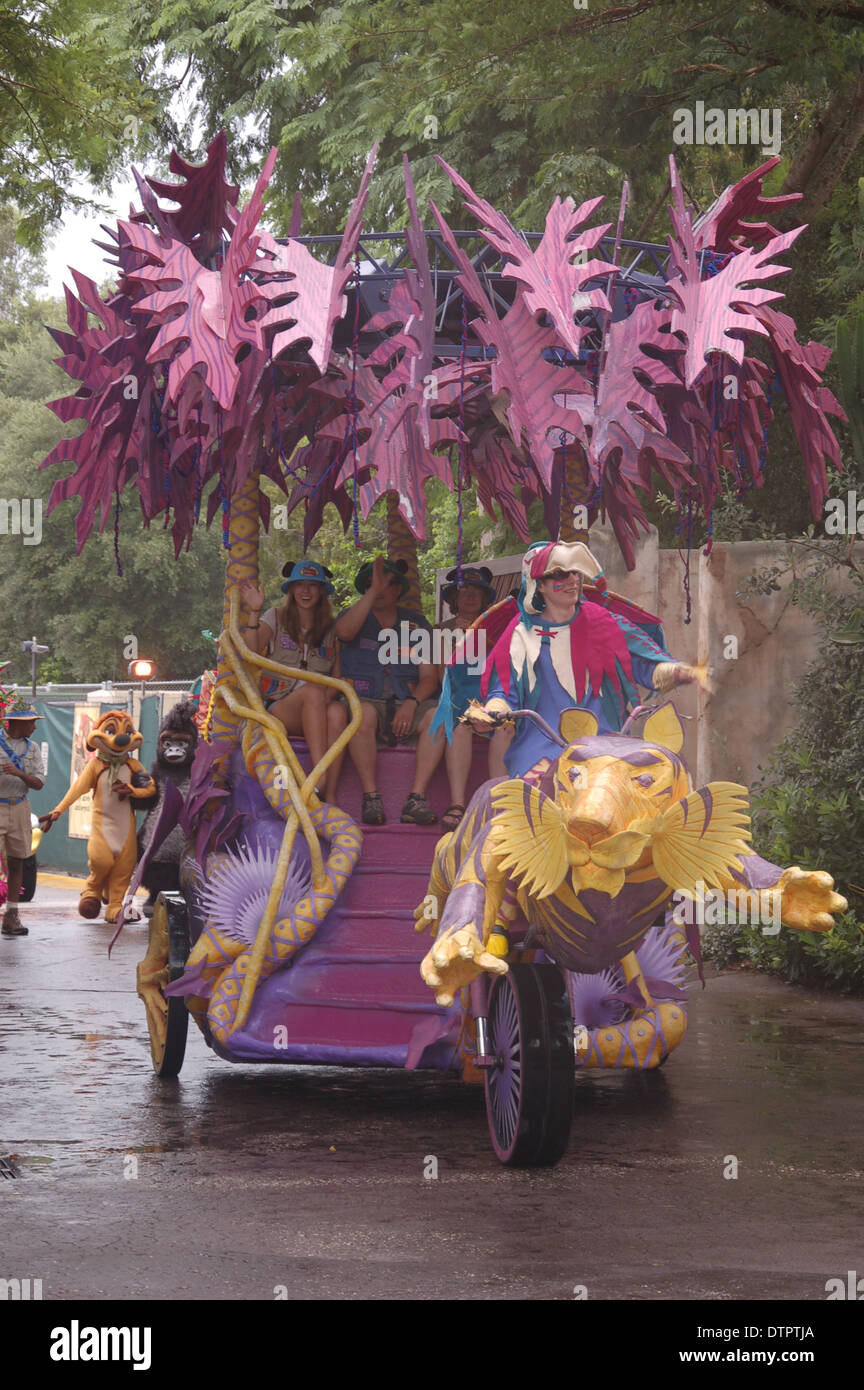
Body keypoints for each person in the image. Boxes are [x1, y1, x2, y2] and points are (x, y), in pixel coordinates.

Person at [469, 540, 708, 776]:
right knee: (531, 798)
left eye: (574, 572)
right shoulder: (520, 633)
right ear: (538, 585)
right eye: (560, 575)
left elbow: (642, 666)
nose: (573, 580)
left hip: (605, 745)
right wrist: (492, 710)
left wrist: (676, 671)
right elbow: (503, 690)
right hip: (541, 748)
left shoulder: (604, 623)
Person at [334, 555, 441, 826]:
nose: (381, 589)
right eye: (372, 584)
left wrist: (412, 703)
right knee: (362, 714)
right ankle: (371, 797)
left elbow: (429, 677)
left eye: (388, 583)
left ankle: (416, 798)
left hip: (407, 701)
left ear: (399, 590)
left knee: (439, 716)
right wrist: (372, 592)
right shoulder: (352, 616)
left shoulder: (416, 624)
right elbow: (344, 633)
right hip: (365, 700)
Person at [239, 560, 347, 805]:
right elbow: (251, 652)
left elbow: (338, 678)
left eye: (312, 585)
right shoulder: (275, 616)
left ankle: (329, 796)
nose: (306, 591)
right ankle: (319, 778)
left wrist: (323, 698)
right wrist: (255, 612)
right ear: (291, 589)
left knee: (339, 712)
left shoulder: (332, 628)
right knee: (312, 692)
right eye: (300, 585)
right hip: (281, 707)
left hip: (317, 708)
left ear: (322, 591)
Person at [436, 566, 512, 830]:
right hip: (459, 703)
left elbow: (505, 667)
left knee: (503, 728)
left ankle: (500, 805)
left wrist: (478, 636)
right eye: (463, 591)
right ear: (453, 598)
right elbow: (440, 680)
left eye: (475, 591)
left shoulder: (498, 628)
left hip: (493, 703)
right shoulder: (440, 630)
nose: (469, 596)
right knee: (459, 728)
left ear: (484, 597)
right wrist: (455, 642)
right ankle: (458, 803)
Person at [0, 701, 45, 937]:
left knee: (17, 861)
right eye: (31, 723)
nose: (34, 728)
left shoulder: (33, 749)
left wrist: (19, 773)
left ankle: (12, 915)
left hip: (19, 805)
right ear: (17, 722)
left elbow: (38, 783)